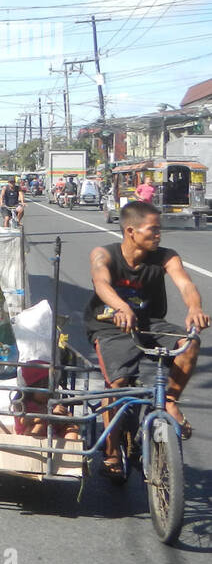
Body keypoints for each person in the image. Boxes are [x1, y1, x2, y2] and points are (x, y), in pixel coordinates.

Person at [85, 200, 207, 477]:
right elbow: (101, 282)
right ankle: (112, 451)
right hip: (109, 325)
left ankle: (169, 400)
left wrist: (194, 308)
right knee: (117, 384)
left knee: (190, 343)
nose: (158, 234)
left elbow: (185, 283)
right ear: (131, 231)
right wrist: (121, 306)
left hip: (150, 323)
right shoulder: (104, 253)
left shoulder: (166, 256)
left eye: (159, 229)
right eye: (153, 229)